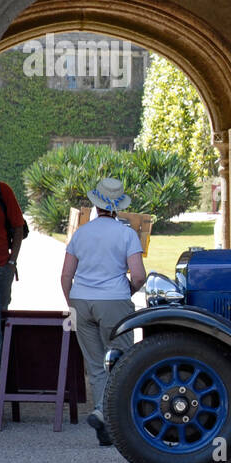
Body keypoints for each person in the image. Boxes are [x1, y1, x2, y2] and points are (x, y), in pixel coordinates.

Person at [61, 178, 146, 447]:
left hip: (81, 300)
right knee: (120, 360)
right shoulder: (126, 234)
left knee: (97, 366)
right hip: (113, 300)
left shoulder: (81, 233)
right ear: (118, 207)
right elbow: (140, 276)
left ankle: (103, 417)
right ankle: (110, 416)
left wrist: (71, 303)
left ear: (96, 205)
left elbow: (65, 276)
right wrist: (128, 291)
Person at [0, 150, 25, 311]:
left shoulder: (2, 191)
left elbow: (18, 227)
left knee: (0, 316)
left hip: (1, 266)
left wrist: (11, 263)